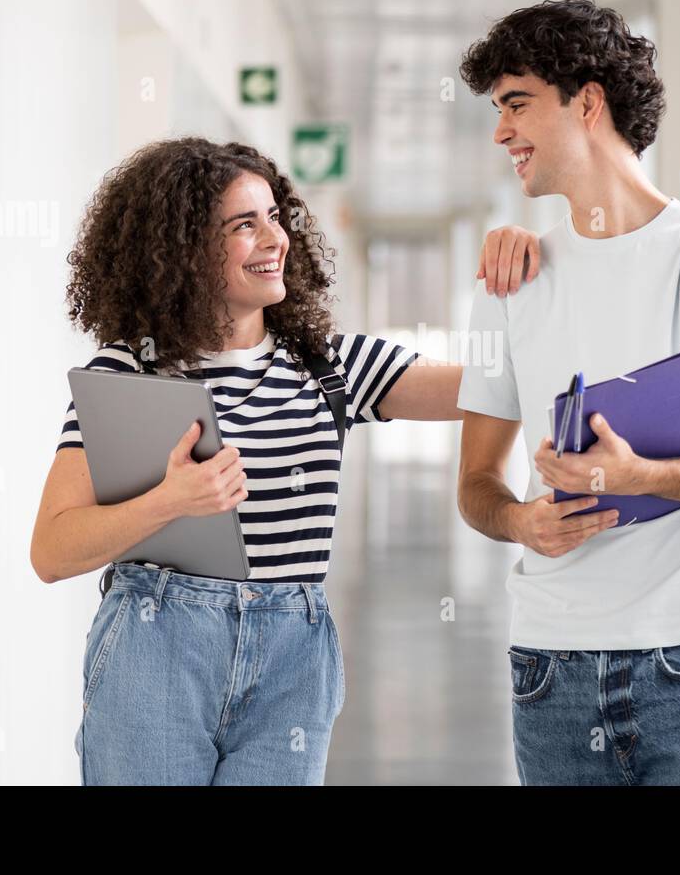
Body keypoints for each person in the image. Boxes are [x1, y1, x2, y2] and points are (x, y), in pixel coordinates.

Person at [30, 137, 537, 785]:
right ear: (183, 248)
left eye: (275, 217)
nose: (277, 239)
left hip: (291, 658)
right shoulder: (131, 370)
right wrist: (170, 501)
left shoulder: (332, 367)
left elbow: (502, 383)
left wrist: (527, 273)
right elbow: (52, 550)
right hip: (155, 648)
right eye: (245, 225)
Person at [454, 0, 680, 785]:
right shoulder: (511, 278)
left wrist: (640, 476)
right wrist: (519, 520)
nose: (500, 131)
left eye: (516, 104)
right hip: (550, 671)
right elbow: (475, 487)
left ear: (588, 100)